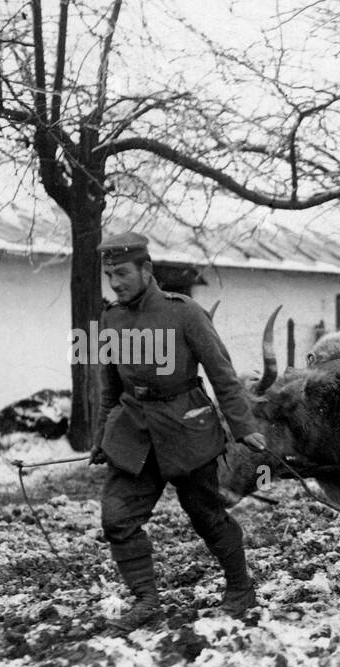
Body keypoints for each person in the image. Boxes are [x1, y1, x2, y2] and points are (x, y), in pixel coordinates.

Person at [90, 231, 267, 633]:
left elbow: (222, 374)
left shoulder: (185, 312)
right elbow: (109, 388)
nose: (115, 283)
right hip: (134, 431)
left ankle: (240, 589)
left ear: (146, 269)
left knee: (205, 514)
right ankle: (147, 600)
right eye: (109, 276)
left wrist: (243, 427)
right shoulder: (111, 319)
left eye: (121, 273)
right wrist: (102, 437)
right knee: (116, 517)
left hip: (187, 428)